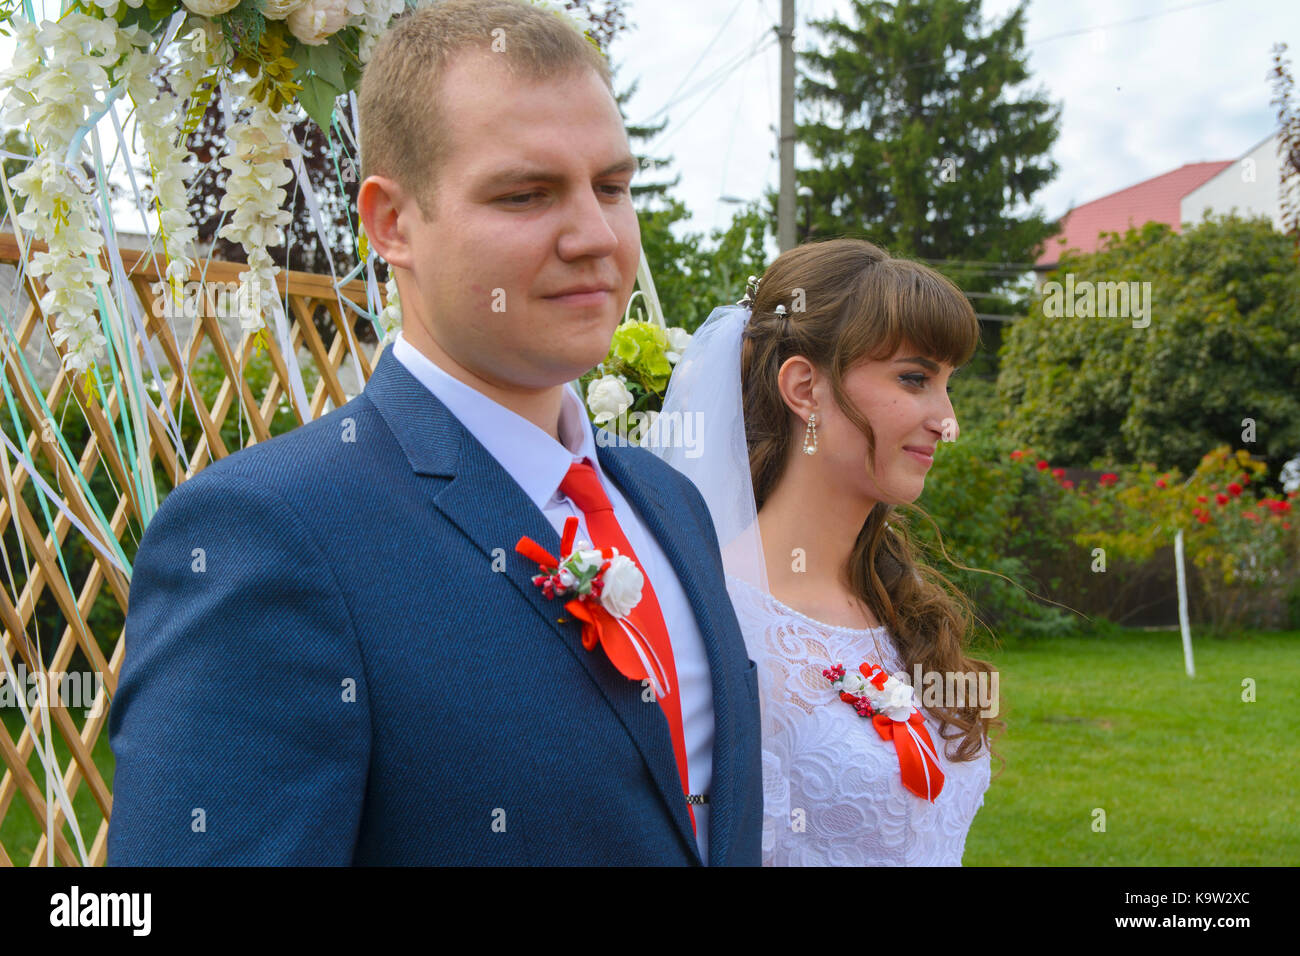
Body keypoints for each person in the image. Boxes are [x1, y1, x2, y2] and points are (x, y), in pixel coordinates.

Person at [107, 0, 762, 866]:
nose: (598, 237)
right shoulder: (269, 534)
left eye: (612, 186)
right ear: (391, 222)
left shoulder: (672, 505)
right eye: (525, 194)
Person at [650, 237, 998, 866]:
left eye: (948, 386)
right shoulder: (710, 619)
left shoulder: (895, 606)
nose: (947, 420)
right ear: (805, 388)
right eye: (915, 379)